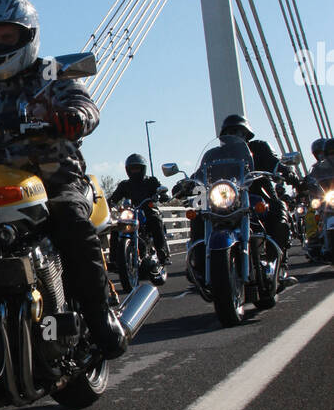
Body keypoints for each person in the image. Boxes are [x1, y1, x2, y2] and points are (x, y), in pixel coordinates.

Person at [0, 0, 127, 358]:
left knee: (69, 217)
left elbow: (84, 104)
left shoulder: (50, 72)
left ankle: (101, 318)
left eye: (7, 37)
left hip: (53, 178)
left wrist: (72, 117)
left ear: (27, 36)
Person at [186, 113, 295, 288]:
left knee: (278, 209)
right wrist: (187, 184)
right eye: (231, 131)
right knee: (199, 214)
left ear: (247, 134)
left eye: (239, 131)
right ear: (223, 135)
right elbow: (201, 173)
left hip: (255, 193)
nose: (235, 134)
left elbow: (274, 162)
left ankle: (278, 264)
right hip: (225, 199)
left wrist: (286, 171)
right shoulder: (214, 154)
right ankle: (199, 265)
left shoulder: (260, 148)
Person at [107, 154, 171, 269]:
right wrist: (106, 204)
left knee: (155, 220)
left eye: (137, 168)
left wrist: (163, 195)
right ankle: (114, 259)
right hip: (131, 213)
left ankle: (162, 254)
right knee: (117, 228)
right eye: (132, 168)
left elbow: (160, 190)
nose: (135, 171)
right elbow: (113, 198)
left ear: (143, 169)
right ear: (128, 170)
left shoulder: (151, 181)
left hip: (148, 210)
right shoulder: (124, 185)